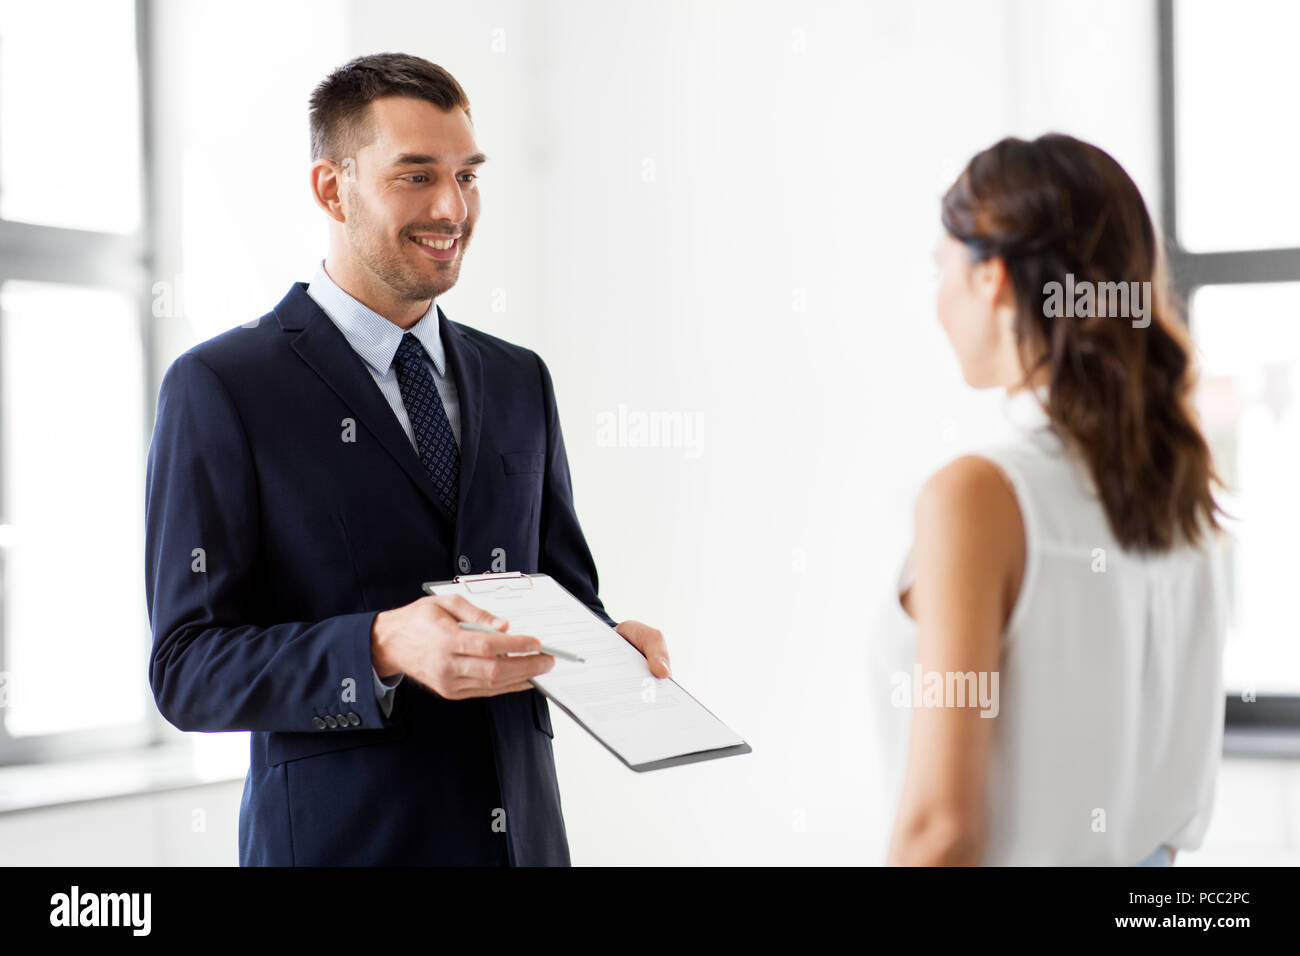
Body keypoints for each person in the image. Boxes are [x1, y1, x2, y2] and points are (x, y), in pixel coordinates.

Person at [145, 52, 670, 866]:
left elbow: (554, 592)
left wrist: (604, 646)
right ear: (332, 188)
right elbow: (188, 669)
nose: (452, 207)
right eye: (416, 175)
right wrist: (382, 647)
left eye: (468, 175)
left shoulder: (518, 377)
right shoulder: (223, 386)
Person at [873, 133, 1229, 865]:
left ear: (991, 279)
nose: (937, 301)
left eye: (942, 268)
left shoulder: (975, 497)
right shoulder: (1186, 492)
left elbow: (942, 832)